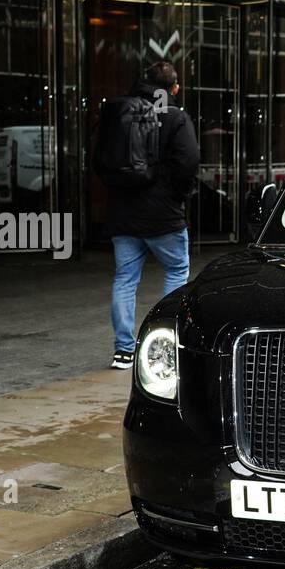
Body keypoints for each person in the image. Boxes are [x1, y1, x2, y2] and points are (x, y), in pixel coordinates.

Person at [96, 60, 199, 369]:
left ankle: (123, 351)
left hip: (123, 213)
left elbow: (101, 159)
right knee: (177, 272)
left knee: (125, 279)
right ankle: (165, 346)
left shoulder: (121, 111)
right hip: (163, 215)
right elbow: (188, 161)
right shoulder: (175, 116)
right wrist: (176, 195)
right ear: (174, 88)